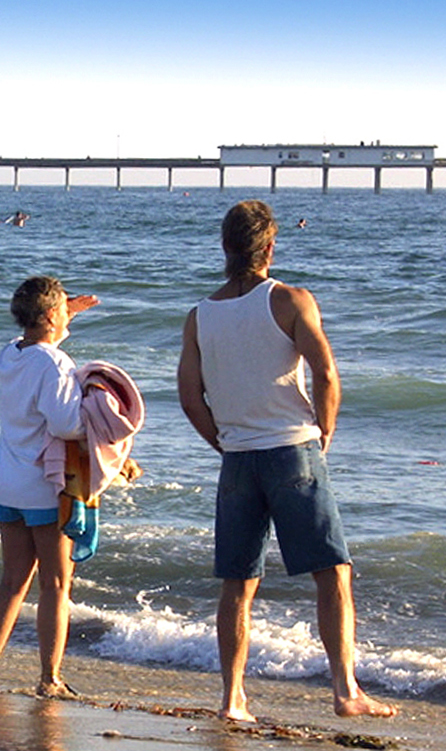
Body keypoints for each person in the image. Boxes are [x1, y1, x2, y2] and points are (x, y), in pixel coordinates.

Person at [176, 200, 395, 724]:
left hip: (238, 458)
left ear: (225, 249)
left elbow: (189, 397)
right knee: (332, 572)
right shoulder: (290, 300)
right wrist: (326, 430)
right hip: (292, 447)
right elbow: (325, 372)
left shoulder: (200, 316)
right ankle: (345, 690)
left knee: (238, 583)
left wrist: (223, 443)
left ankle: (232, 698)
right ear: (269, 248)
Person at [0, 275, 99, 699]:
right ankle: (50, 678)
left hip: (9, 484)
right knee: (56, 584)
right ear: (47, 316)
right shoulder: (54, 364)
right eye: (61, 309)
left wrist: (64, 311)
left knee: (12, 582)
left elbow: (33, 345)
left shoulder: (11, 354)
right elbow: (66, 423)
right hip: (46, 484)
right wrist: (99, 414)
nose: (67, 314)